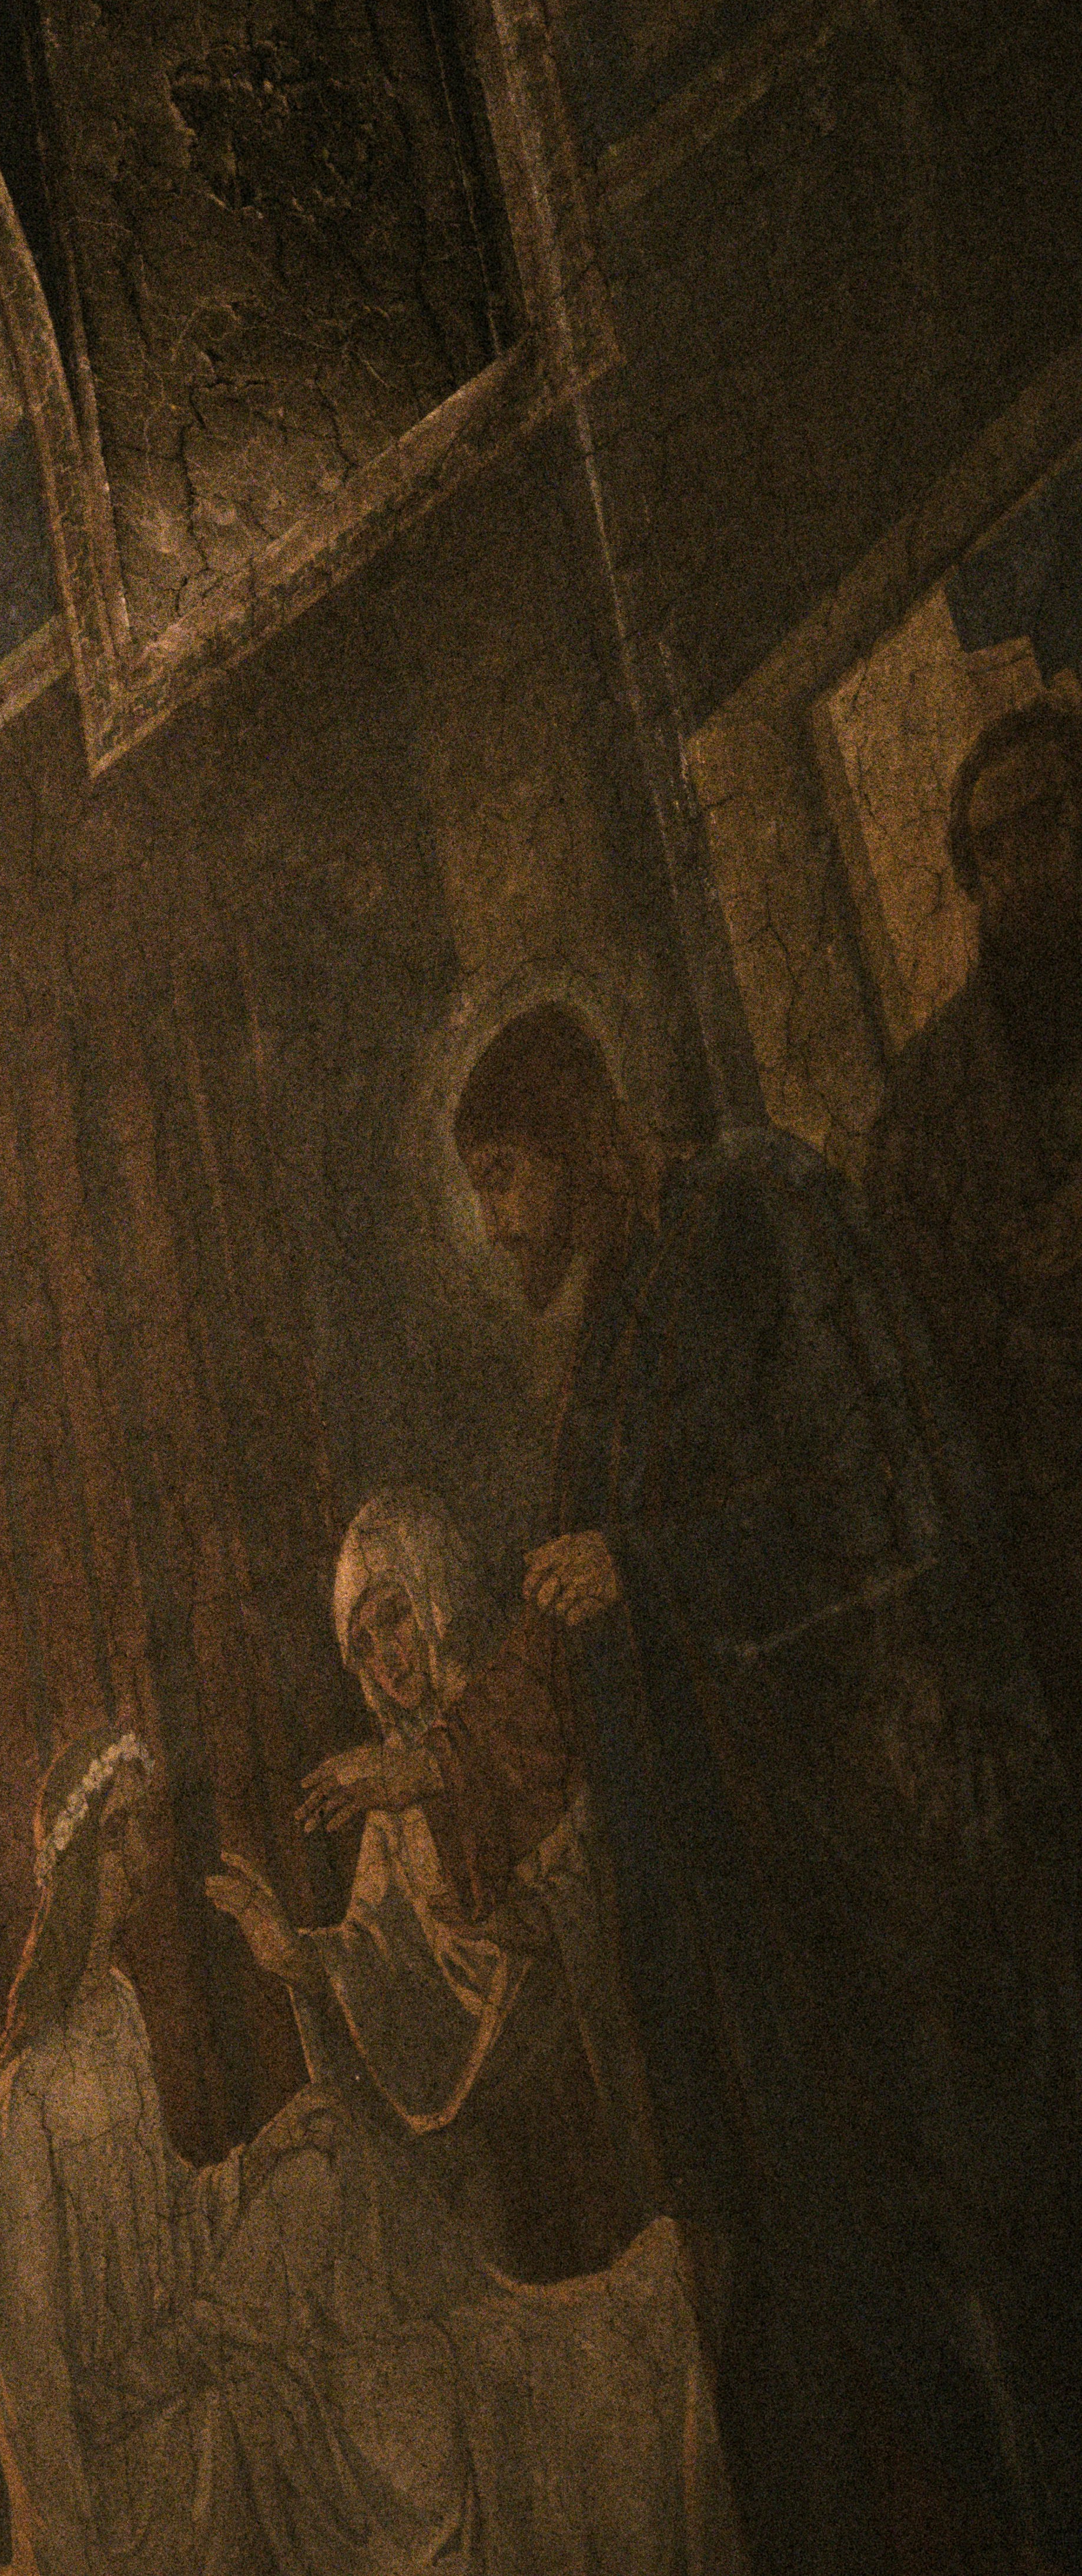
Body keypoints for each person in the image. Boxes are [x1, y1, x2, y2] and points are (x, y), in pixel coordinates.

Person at [438, 1005, 1078, 2568]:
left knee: (974, 2282)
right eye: (481, 1192)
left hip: (865, 1888)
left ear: (580, 1127)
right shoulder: (606, 1342)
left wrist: (647, 1566)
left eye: (510, 1174)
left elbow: (885, 1493)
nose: (504, 1222)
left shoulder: (763, 1210)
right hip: (737, 1958)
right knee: (806, 2322)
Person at [0, 1729, 731, 2576]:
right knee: (388, 2419)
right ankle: (544, 2342)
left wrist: (267, 2153)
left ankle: (518, 2328)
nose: (141, 1855)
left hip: (182, 2365)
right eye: (116, 1835)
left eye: (140, 1829)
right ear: (73, 1860)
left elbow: (171, 2215)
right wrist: (65, 2546)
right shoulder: (31, 2079)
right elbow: (26, 2349)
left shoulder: (117, 2013)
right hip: (131, 2447)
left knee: (327, 2150)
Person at [279, 1488, 653, 2281]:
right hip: (500, 2134)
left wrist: (533, 1924)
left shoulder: (524, 1709)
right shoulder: (390, 1793)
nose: (386, 1656)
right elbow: (379, 1956)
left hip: (595, 2084)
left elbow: (613, 1874)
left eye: (395, 1618)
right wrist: (300, 1960)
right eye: (363, 1644)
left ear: (437, 1591)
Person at [863, 692, 1082, 1728]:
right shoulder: (924, 1110)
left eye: (1065, 818)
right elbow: (932, 1368)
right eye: (1013, 839)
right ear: (975, 872)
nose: (1046, 861)